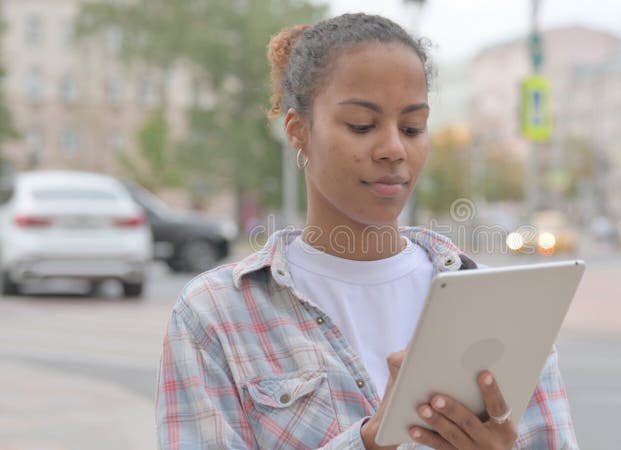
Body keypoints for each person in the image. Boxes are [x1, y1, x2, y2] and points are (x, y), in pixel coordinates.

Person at [156, 13, 579, 450]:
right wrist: (367, 443)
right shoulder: (216, 314)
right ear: (298, 131)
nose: (394, 149)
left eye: (412, 128)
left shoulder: (500, 306)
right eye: (362, 125)